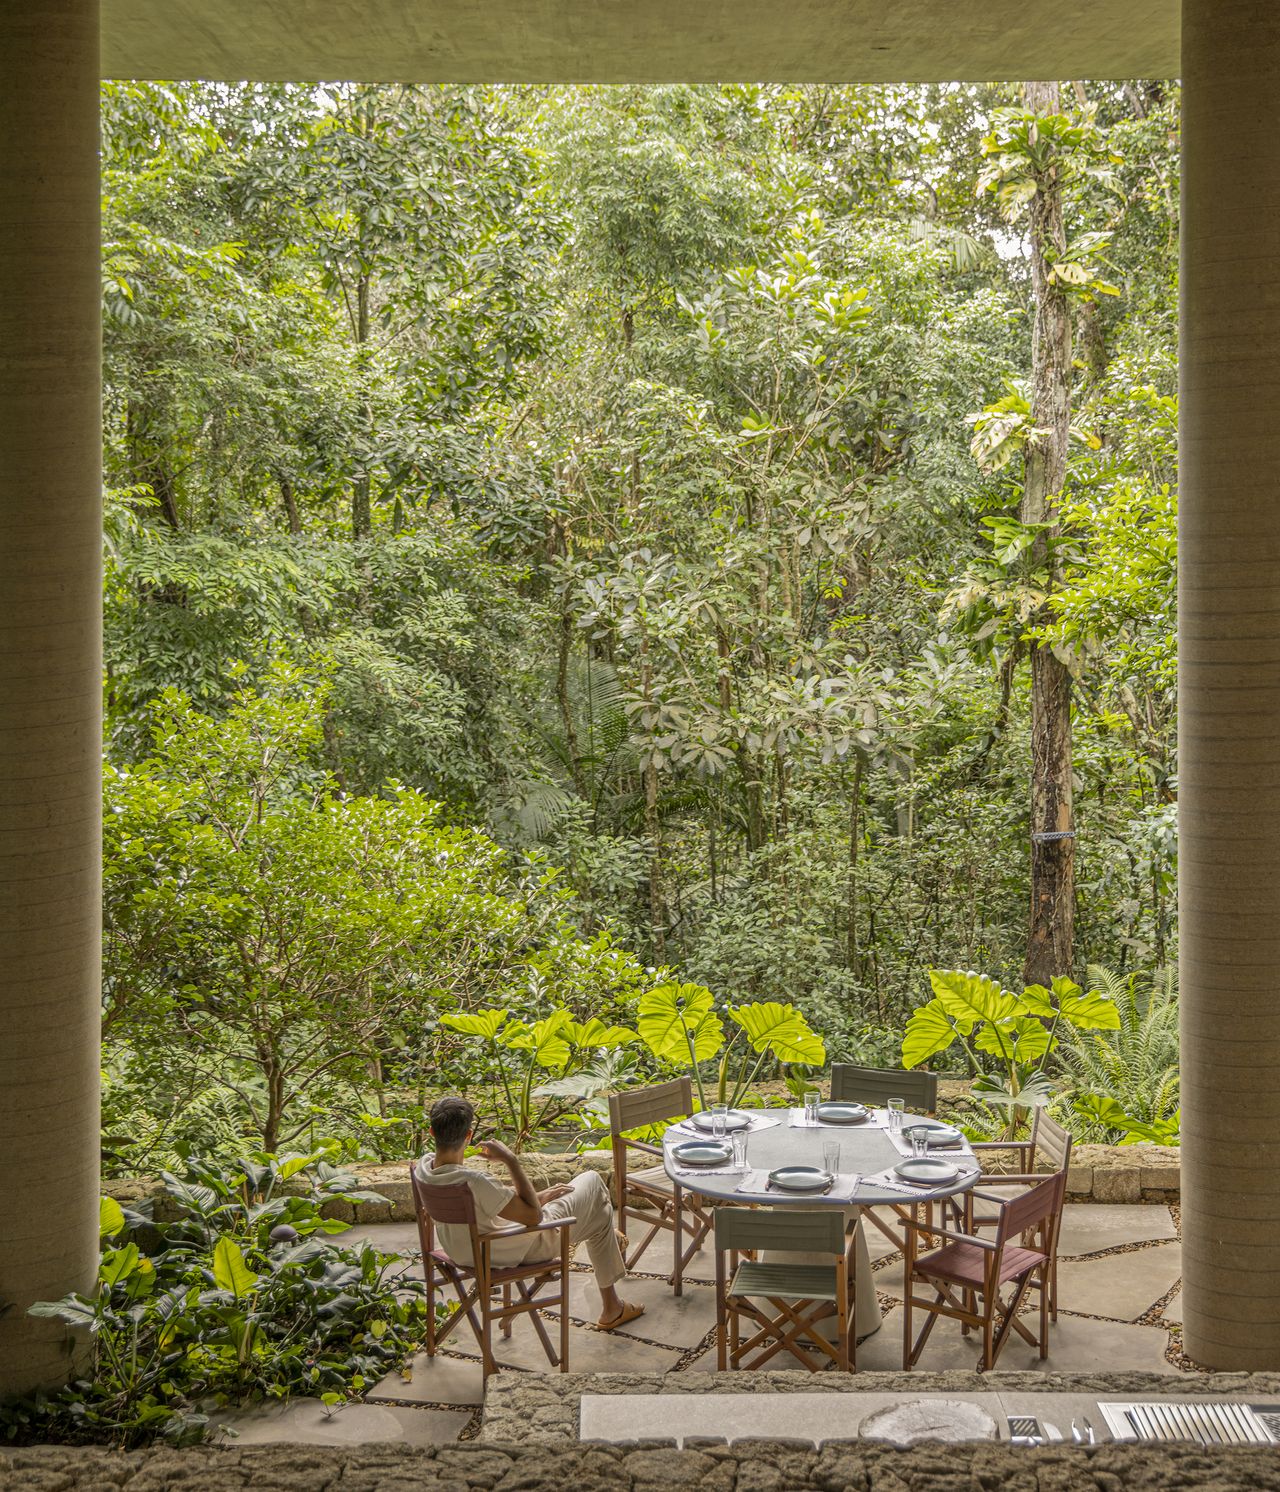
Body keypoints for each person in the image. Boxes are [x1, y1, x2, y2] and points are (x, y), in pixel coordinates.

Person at [416, 1094, 645, 1331]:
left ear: (432, 1132)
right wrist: (511, 1160)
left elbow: (490, 1208)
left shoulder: (424, 1169)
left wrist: (539, 1197)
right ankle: (611, 1302)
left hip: (462, 1251)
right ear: (469, 1135)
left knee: (595, 1215)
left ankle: (610, 1278)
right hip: (510, 1250)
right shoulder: (474, 1181)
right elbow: (534, 1218)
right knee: (593, 1183)